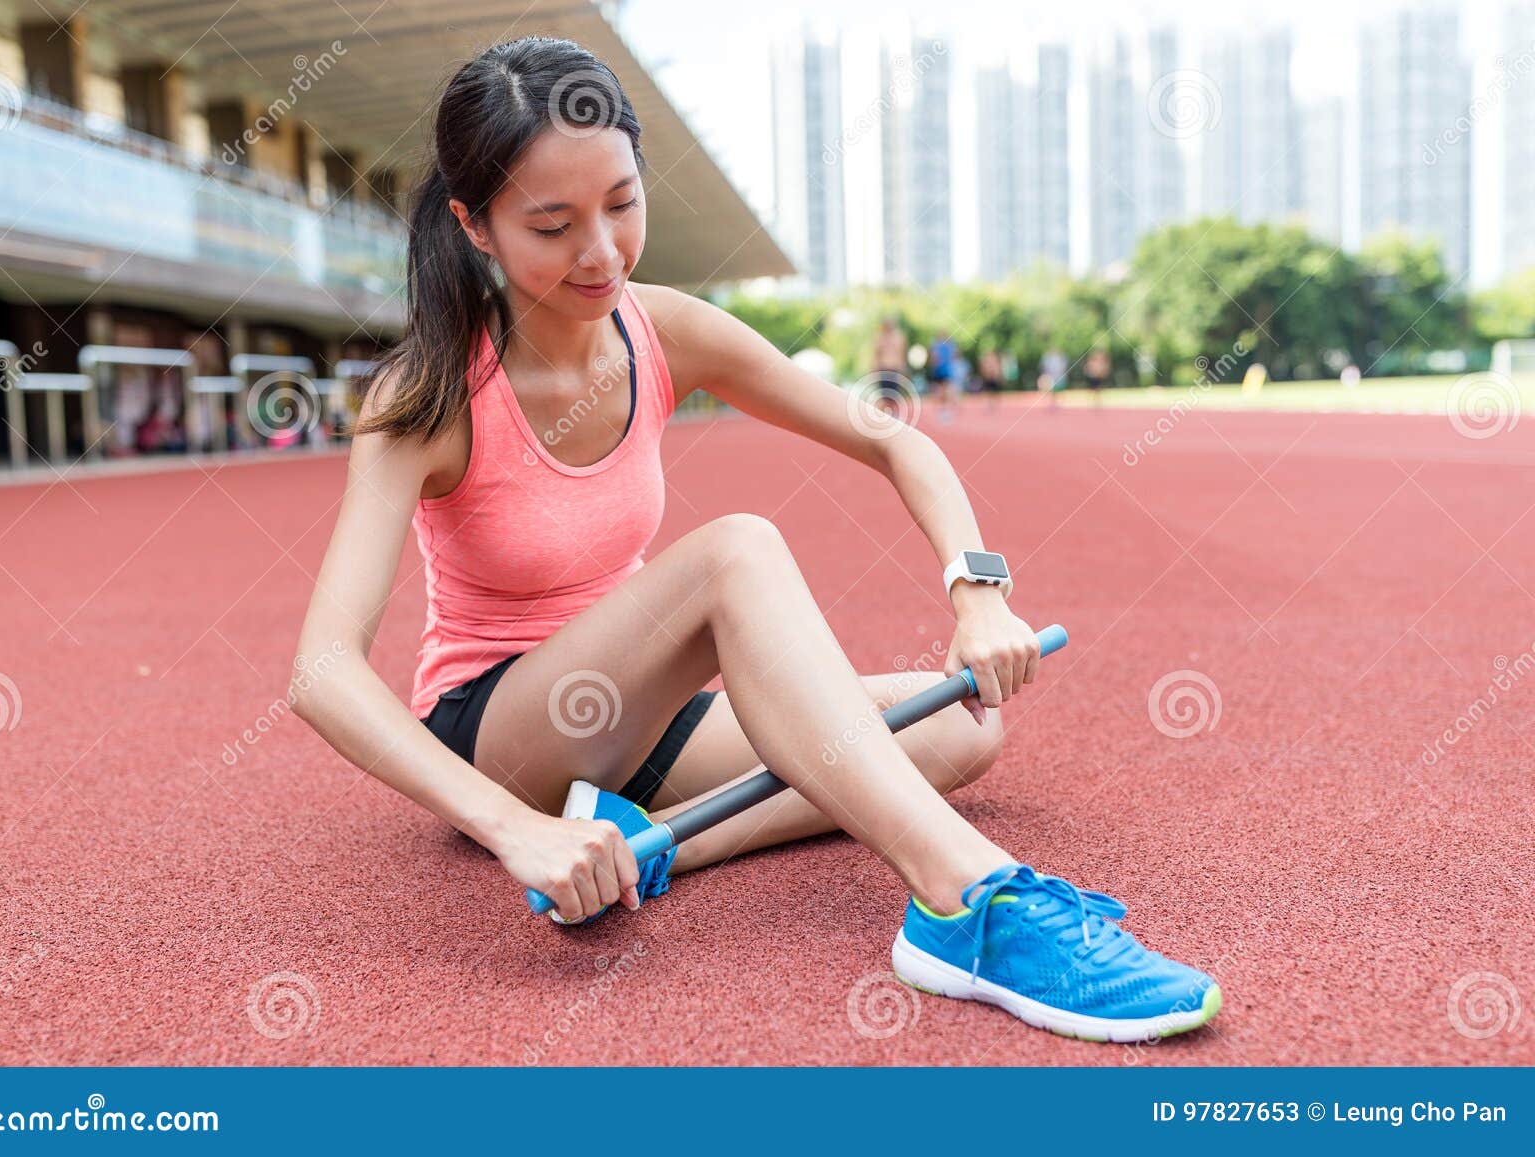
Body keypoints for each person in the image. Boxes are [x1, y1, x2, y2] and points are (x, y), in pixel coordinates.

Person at [291, 36, 1219, 1043]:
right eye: (553, 225)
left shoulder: (666, 331)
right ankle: (967, 901)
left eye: (621, 203)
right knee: (735, 549)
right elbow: (322, 670)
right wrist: (510, 823)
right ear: (473, 224)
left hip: (644, 720)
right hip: (507, 730)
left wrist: (976, 590)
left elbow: (889, 441)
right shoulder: (428, 397)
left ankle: (649, 846)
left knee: (957, 727)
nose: (600, 252)